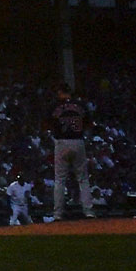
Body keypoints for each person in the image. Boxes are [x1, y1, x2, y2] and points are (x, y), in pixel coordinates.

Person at [48, 86, 97, 220]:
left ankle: (57, 214)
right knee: (83, 179)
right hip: (78, 140)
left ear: (61, 92)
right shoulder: (80, 105)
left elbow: (48, 124)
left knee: (60, 179)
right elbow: (89, 124)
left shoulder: (55, 105)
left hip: (61, 142)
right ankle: (88, 211)